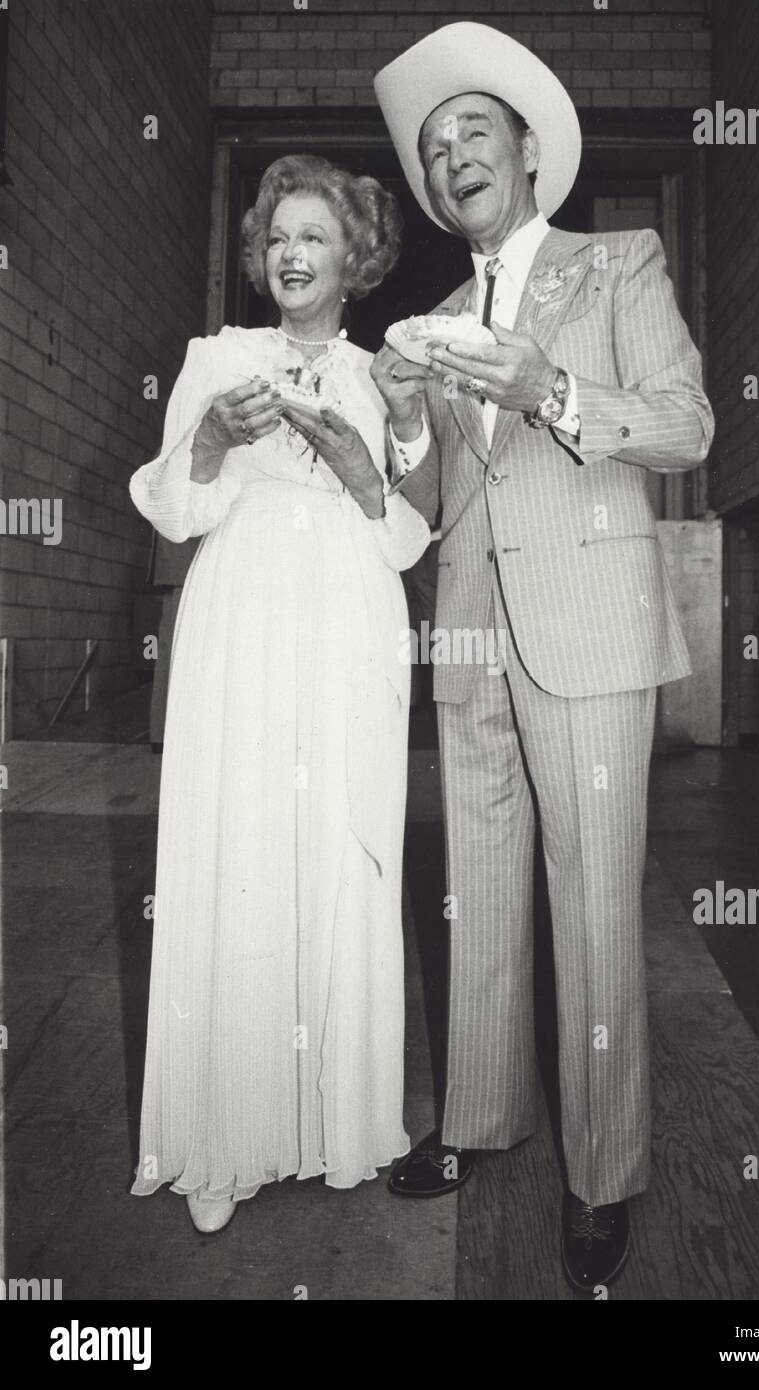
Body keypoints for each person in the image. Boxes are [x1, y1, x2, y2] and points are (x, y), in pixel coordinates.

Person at [371, 23, 715, 1291]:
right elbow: (426, 501)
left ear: (525, 149)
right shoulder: (432, 320)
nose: (453, 156)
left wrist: (548, 393)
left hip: (592, 627)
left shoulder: (618, 262)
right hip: (468, 635)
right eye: (433, 147)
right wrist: (407, 425)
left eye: (473, 131)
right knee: (476, 892)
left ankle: (603, 1172)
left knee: (594, 907)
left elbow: (685, 423)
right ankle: (476, 1119)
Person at [129, 154, 430, 1233]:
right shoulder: (219, 356)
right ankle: (224, 1141)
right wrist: (209, 438)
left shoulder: (386, 375)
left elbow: (403, 534)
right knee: (242, 852)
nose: (292, 253)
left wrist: (362, 462)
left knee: (337, 849)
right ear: (260, 258)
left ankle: (334, 1125)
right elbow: (172, 509)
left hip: (349, 622)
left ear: (357, 259)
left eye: (316, 237)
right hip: (243, 615)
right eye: (277, 238)